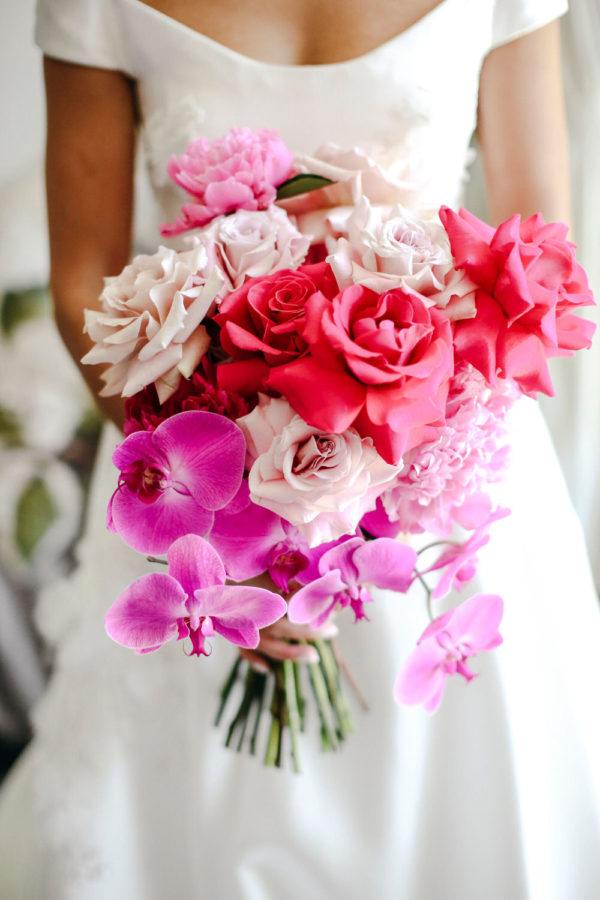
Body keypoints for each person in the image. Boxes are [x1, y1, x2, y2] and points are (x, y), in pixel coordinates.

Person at [1, 1, 599, 897]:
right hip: (196, 487)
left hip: (451, 488)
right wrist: (221, 525)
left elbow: (539, 249)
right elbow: (83, 277)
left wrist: (405, 453)